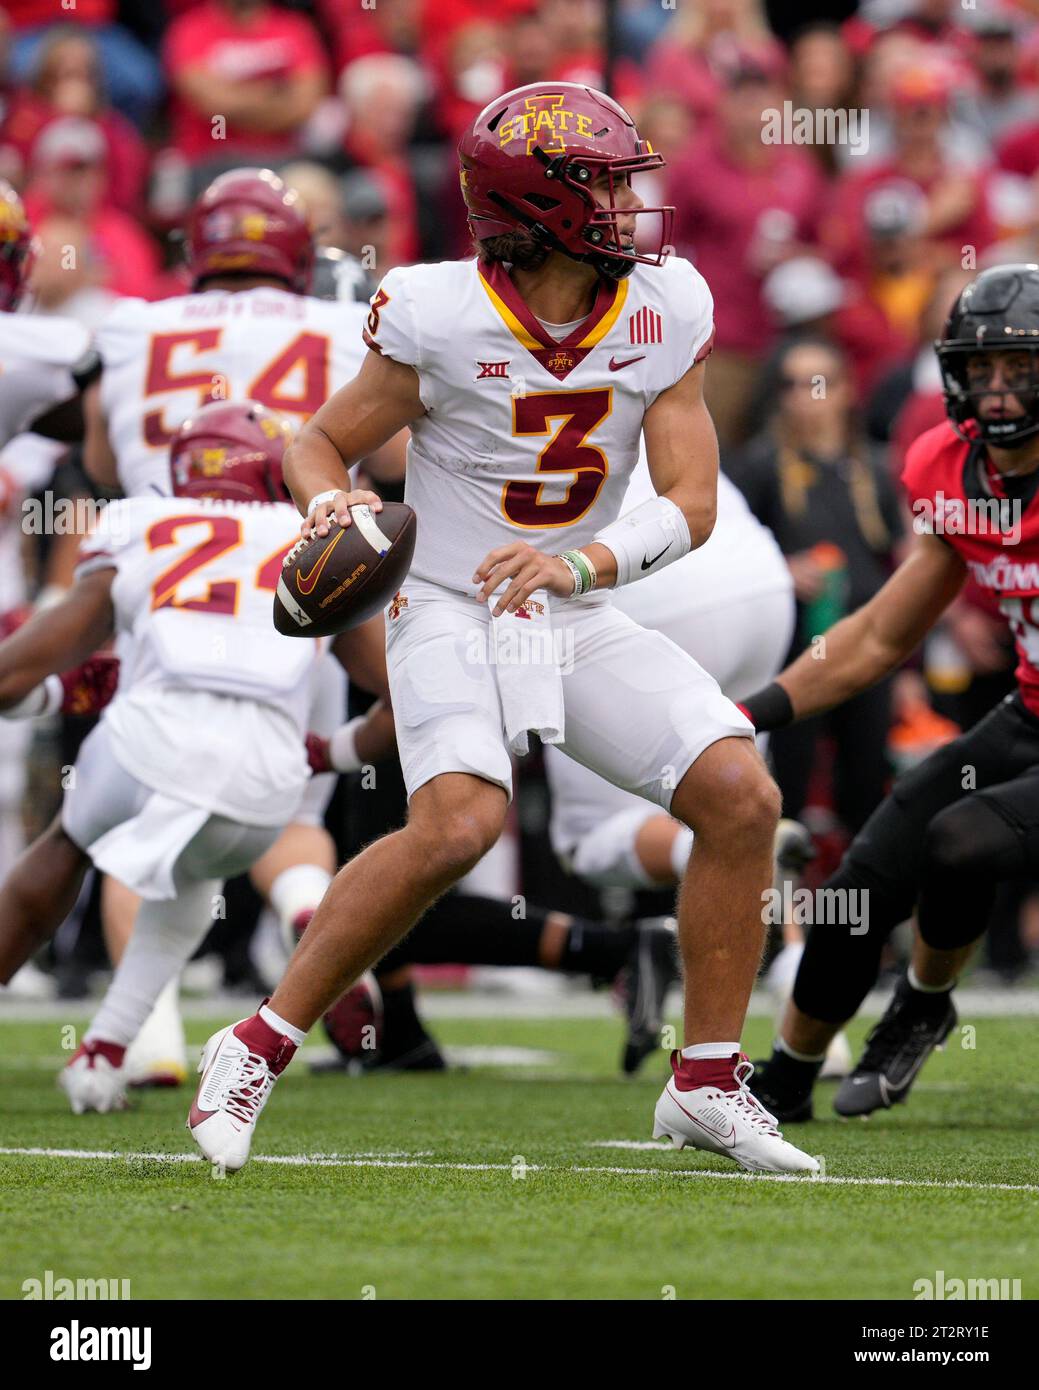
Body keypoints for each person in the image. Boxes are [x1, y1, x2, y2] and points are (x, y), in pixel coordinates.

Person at [187, 80, 820, 1177]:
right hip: (445, 600)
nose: (630, 209)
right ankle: (251, 1046)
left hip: (568, 600)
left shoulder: (665, 305)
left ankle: (708, 1082)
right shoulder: (437, 310)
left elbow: (693, 502)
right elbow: (314, 444)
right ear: (542, 204)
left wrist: (577, 562)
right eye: (605, 187)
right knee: (457, 827)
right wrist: (333, 507)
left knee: (741, 796)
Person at [81, 167, 398, 1084]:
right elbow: (384, 447)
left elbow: (105, 458)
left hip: (165, 565)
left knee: (143, 817)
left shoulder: (137, 324)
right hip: (300, 568)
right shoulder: (341, 323)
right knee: (287, 791)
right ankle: (307, 909)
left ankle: (147, 1039)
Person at [0, 400, 392, 1114]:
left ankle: (104, 1033)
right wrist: (325, 755)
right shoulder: (313, 538)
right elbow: (396, 695)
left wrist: (42, 694)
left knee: (68, 846)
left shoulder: (137, 523)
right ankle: (104, 1052)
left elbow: (26, 669)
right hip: (268, 789)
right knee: (186, 870)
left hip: (152, 746)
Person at [737, 264, 1039, 1122]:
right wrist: (751, 711)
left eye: (1019, 369)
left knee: (962, 838)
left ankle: (918, 1004)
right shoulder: (950, 470)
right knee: (859, 882)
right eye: (979, 370)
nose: (997, 391)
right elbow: (876, 635)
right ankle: (787, 1076)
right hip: (1028, 710)